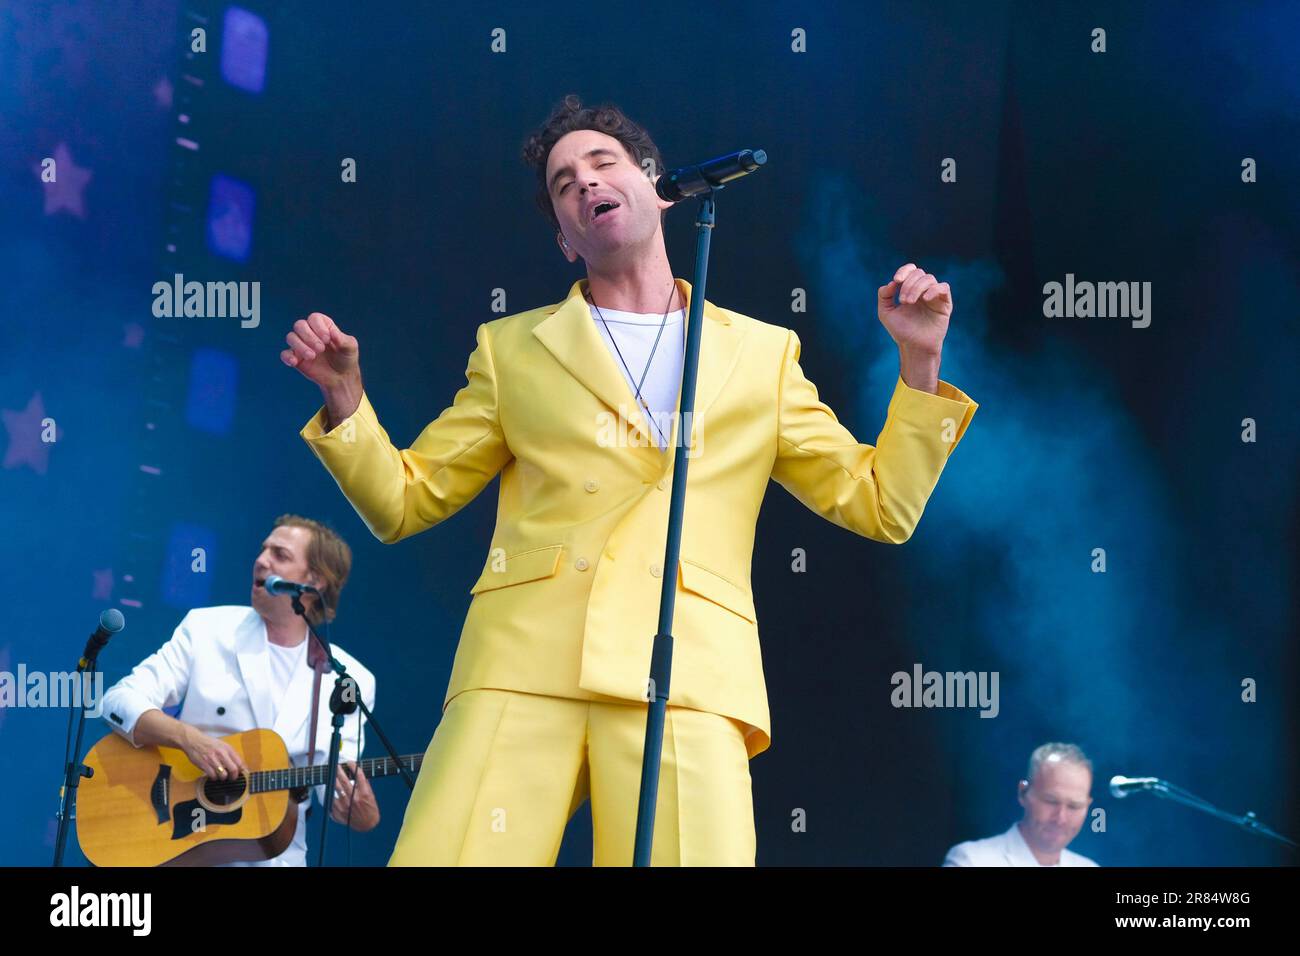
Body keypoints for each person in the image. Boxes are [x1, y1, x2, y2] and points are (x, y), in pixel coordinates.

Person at [283, 95, 978, 865]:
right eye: (563, 182)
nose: (584, 182)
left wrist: (920, 365)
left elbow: (881, 504)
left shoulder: (760, 353)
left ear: (658, 186)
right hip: (521, 665)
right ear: (563, 237)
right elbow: (404, 502)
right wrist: (346, 397)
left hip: (686, 672)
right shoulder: (513, 349)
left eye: (602, 164)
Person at [99, 514, 379, 866]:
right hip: (182, 843)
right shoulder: (208, 629)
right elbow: (117, 701)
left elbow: (338, 790)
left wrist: (360, 812)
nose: (261, 560)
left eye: (280, 555)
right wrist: (188, 738)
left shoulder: (350, 680)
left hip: (275, 858)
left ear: (315, 582)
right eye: (263, 550)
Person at [943, 742, 1100, 867]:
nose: (1061, 818)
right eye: (1051, 801)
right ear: (1023, 793)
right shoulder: (971, 861)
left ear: (1087, 805)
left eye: (1074, 806)